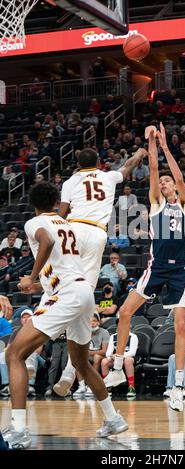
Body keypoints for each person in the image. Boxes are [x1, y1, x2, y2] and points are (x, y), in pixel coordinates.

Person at [2, 182, 128, 449]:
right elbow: (64, 265)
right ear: (57, 202)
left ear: (33, 203)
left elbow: (45, 242)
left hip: (66, 295)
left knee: (14, 354)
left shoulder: (35, 222)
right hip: (82, 291)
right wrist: (38, 284)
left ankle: (20, 428)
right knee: (81, 364)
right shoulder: (66, 224)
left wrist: (31, 277)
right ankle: (112, 418)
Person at [104, 123, 185, 413]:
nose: (165, 183)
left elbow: (177, 176)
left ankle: (178, 387)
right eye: (163, 183)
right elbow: (154, 170)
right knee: (125, 312)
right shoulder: (155, 204)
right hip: (155, 270)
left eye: (168, 182)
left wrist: (166, 145)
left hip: (180, 270)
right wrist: (152, 144)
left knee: (180, 325)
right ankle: (116, 367)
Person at [53, 147, 146, 397]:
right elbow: (127, 166)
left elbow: (61, 214)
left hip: (71, 231)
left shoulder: (71, 181)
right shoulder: (107, 177)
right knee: (84, 299)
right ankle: (71, 371)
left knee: (65, 291)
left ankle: (63, 360)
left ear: (77, 163)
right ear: (99, 162)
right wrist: (140, 152)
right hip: (95, 233)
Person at [0, 309, 43, 398]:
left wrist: (22, 350)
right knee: (2, 355)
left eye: (28, 317)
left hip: (36, 356)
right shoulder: (16, 332)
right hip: (19, 354)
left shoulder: (38, 330)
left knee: (31, 354)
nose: (26, 319)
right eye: (24, 317)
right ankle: (7, 385)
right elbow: (9, 348)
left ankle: (29, 385)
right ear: (21, 320)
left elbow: (38, 351)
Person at [73, 313, 110, 398]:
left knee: (97, 357)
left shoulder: (104, 332)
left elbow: (104, 351)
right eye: (90, 321)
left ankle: (91, 386)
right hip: (87, 355)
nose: (92, 323)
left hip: (99, 356)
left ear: (98, 322)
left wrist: (87, 353)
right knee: (75, 359)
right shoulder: (83, 332)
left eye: (94, 321)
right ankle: (82, 386)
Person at [101, 320, 138, 398]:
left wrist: (119, 357)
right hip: (116, 358)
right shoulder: (113, 336)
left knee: (128, 361)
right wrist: (111, 357)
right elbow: (108, 353)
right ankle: (107, 387)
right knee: (104, 361)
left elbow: (132, 352)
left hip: (128, 357)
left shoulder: (133, 336)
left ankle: (131, 387)